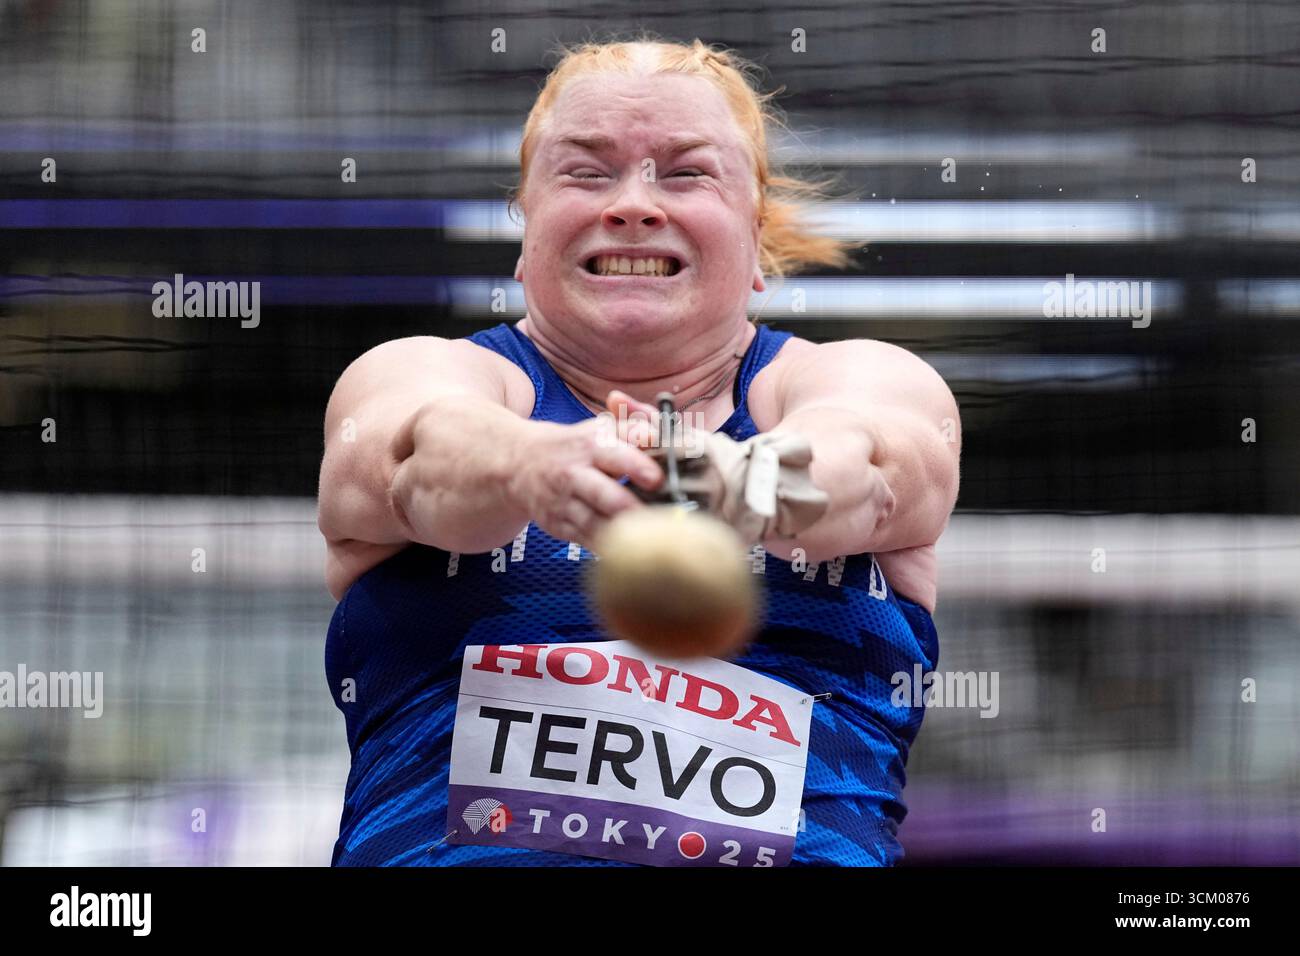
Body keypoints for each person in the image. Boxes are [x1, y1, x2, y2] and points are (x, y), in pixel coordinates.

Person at [317, 36, 961, 866]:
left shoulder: (856, 378)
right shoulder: (426, 373)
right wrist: (529, 466)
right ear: (525, 222)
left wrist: (733, 480)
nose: (633, 204)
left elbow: (868, 465)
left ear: (756, 230)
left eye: (686, 173)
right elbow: (416, 453)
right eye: (586, 173)